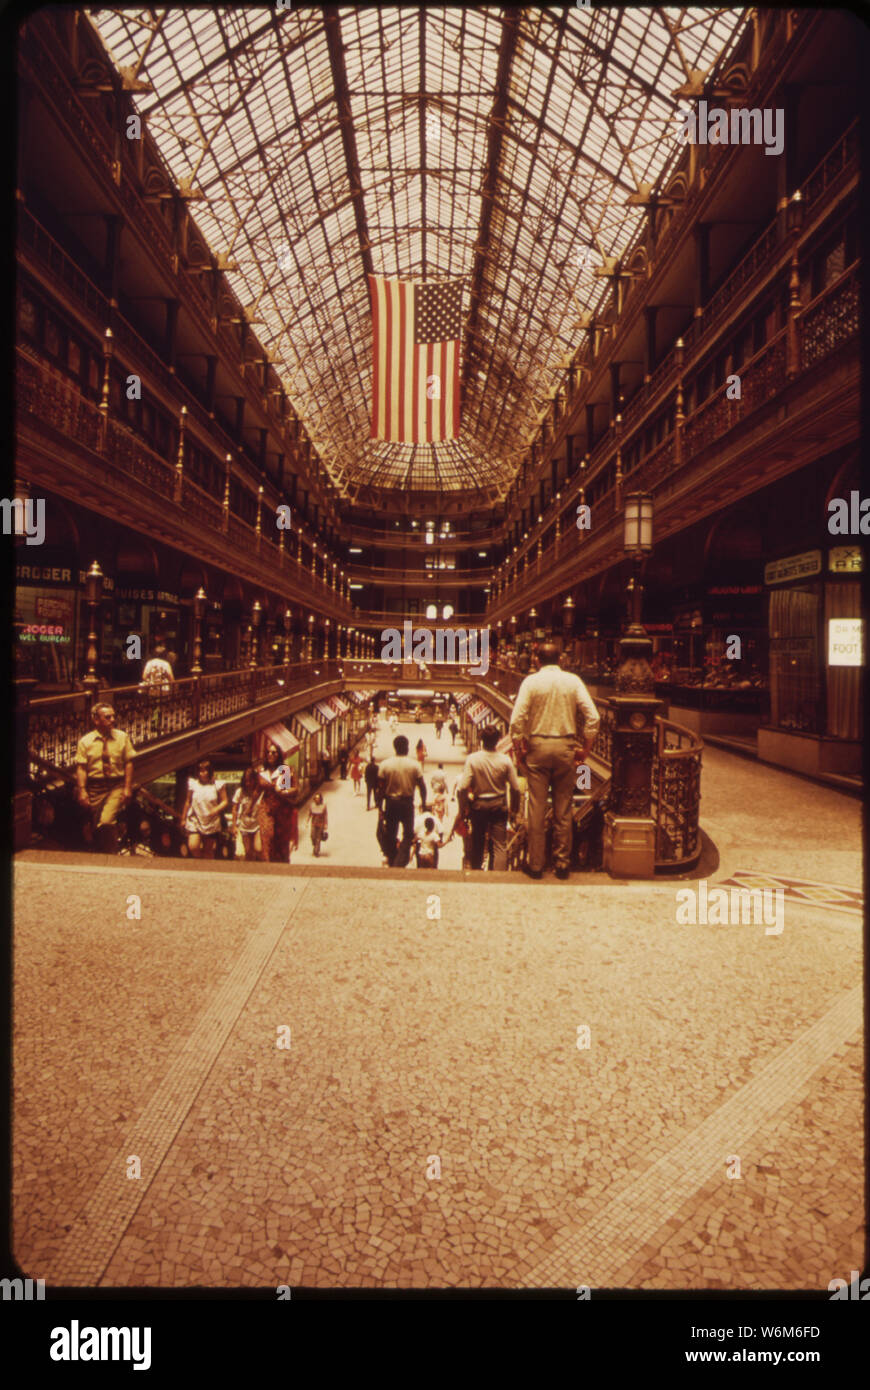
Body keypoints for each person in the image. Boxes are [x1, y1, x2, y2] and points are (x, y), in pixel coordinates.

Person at [509, 641, 599, 880]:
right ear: (561, 660)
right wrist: (586, 749)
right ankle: (562, 864)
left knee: (537, 809)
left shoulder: (530, 682)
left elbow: (516, 720)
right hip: (566, 749)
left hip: (537, 748)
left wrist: (519, 750)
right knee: (563, 808)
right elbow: (593, 717)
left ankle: (536, 865)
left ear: (537, 660)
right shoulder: (573, 681)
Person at [456, 725, 521, 871]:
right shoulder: (505, 761)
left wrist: (463, 808)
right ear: (497, 741)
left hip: (479, 808)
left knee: (477, 842)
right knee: (500, 845)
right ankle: (498, 878)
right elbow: (515, 788)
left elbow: (463, 787)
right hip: (499, 807)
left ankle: (476, 874)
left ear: (481, 740)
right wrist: (515, 810)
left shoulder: (473, 759)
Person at [74, 703, 137, 854]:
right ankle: (104, 853)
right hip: (95, 788)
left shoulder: (122, 737)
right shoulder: (85, 742)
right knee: (97, 824)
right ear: (96, 720)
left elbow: (129, 763)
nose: (113, 719)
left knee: (107, 820)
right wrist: (82, 790)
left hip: (116, 785)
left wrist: (127, 788)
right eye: (108, 717)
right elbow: (81, 768)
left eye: (113, 716)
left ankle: (111, 855)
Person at [376, 734, 427, 867]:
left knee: (391, 834)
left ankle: (393, 859)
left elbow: (380, 789)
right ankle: (401, 861)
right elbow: (422, 786)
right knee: (408, 834)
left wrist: (380, 807)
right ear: (407, 747)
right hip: (407, 803)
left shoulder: (385, 765)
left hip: (391, 803)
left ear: (395, 748)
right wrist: (424, 803)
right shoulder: (415, 765)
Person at [181, 758, 229, 859]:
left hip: (211, 821)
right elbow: (188, 801)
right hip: (195, 819)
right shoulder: (193, 784)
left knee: (208, 850)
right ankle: (198, 861)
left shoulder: (217, 785)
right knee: (193, 846)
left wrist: (216, 809)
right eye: (201, 771)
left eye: (205, 770)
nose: (203, 773)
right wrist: (183, 818)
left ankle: (207, 869)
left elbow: (225, 801)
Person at [258, 742, 298, 863]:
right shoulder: (262, 770)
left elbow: (293, 789)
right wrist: (248, 808)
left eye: (274, 753)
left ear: (278, 755)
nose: (270, 755)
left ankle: (282, 865)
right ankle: (267, 865)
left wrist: (282, 791)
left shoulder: (284, 770)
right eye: (268, 752)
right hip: (266, 808)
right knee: (267, 836)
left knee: (281, 841)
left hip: (282, 809)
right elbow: (256, 791)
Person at [232, 766, 264, 861]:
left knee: (258, 849)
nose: (248, 783)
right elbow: (235, 809)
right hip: (245, 825)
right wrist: (234, 825)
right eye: (246, 781)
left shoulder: (259, 792)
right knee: (248, 851)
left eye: (250, 781)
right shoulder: (240, 792)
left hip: (257, 825)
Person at [308, 792, 328, 856]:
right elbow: (310, 814)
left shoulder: (323, 806)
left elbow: (325, 815)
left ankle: (316, 851)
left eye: (318, 798)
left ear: (320, 799)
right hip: (313, 823)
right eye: (316, 798)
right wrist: (307, 821)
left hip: (320, 824)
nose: (317, 799)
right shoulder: (312, 805)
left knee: (318, 838)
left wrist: (325, 824)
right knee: (312, 836)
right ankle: (314, 845)